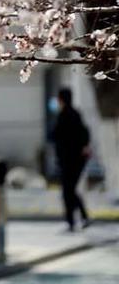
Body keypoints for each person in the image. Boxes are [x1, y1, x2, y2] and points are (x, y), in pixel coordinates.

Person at [52, 87, 91, 231]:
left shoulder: (64, 115)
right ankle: (80, 218)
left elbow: (57, 136)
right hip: (75, 159)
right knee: (70, 190)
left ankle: (73, 221)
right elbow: (85, 133)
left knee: (68, 191)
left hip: (69, 160)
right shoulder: (75, 114)